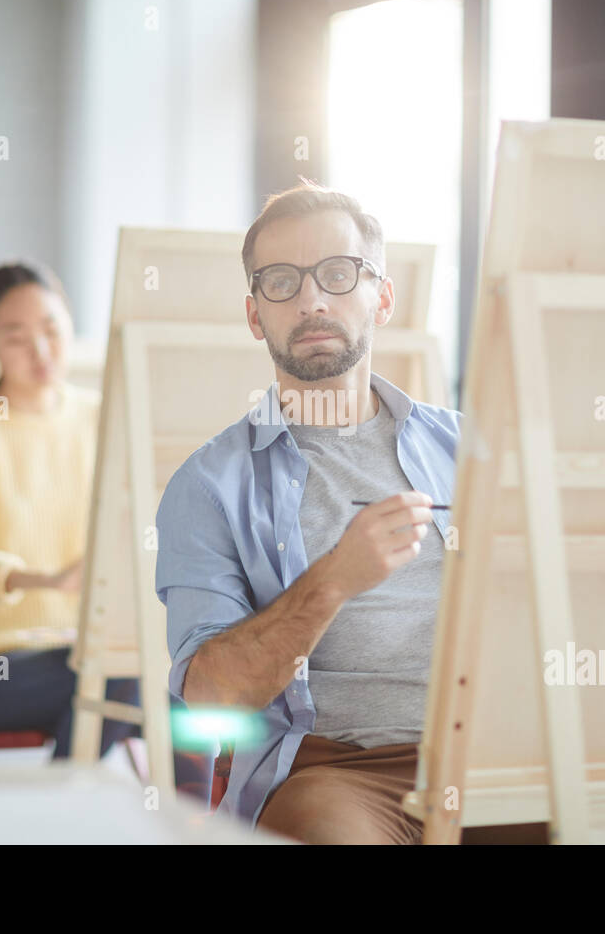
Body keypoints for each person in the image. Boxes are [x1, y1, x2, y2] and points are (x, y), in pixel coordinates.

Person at [157, 182, 545, 844]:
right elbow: (212, 699)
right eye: (281, 282)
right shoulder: (209, 486)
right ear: (255, 316)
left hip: (498, 762)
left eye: (338, 274)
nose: (311, 300)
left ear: (382, 297)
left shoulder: (476, 449)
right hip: (336, 775)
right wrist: (336, 577)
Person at [0, 262, 211, 798]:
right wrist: (36, 580)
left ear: (72, 326)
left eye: (52, 330)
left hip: (92, 651)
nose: (41, 351)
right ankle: (56, 819)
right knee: (115, 679)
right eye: (16, 337)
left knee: (186, 690)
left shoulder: (104, 419)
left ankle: (192, 832)